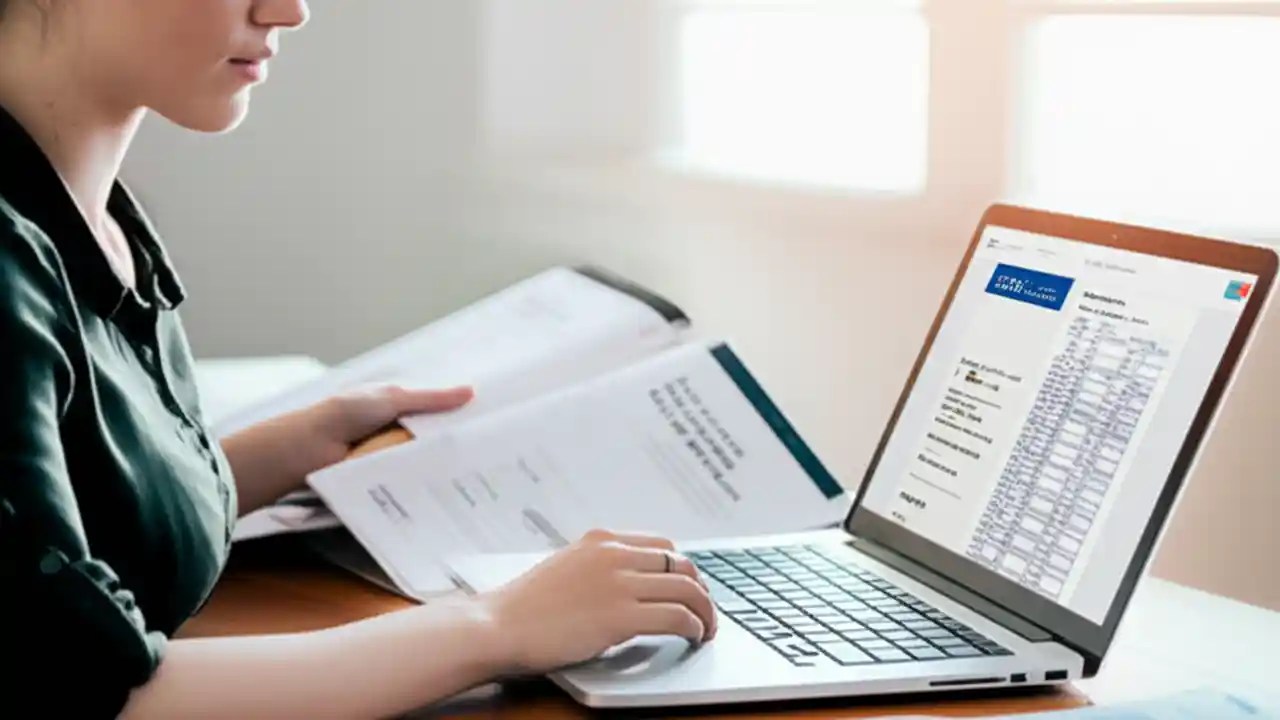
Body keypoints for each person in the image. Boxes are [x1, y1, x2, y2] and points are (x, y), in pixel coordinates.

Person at [0, 1, 718, 717]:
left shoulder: (92, 222)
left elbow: (59, 516)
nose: (289, 10)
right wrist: (499, 625)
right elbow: (95, 692)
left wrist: (284, 451)